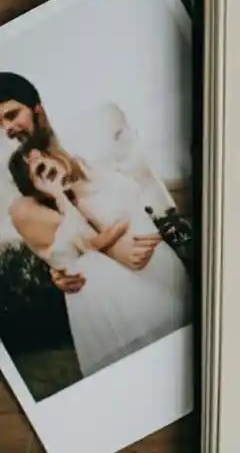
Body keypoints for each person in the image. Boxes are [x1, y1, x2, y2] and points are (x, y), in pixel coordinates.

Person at [8, 145, 188, 377]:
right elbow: (87, 243)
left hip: (109, 274)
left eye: (44, 158)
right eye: (38, 169)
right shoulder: (53, 208)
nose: (46, 166)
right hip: (93, 289)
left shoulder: (71, 199)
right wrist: (120, 225)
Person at [0, 73, 160, 293]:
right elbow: (54, 242)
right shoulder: (25, 187)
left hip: (156, 253)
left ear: (38, 109)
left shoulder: (84, 147)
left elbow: (144, 186)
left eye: (12, 114)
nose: (7, 128)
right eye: (0, 123)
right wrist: (58, 269)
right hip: (112, 284)